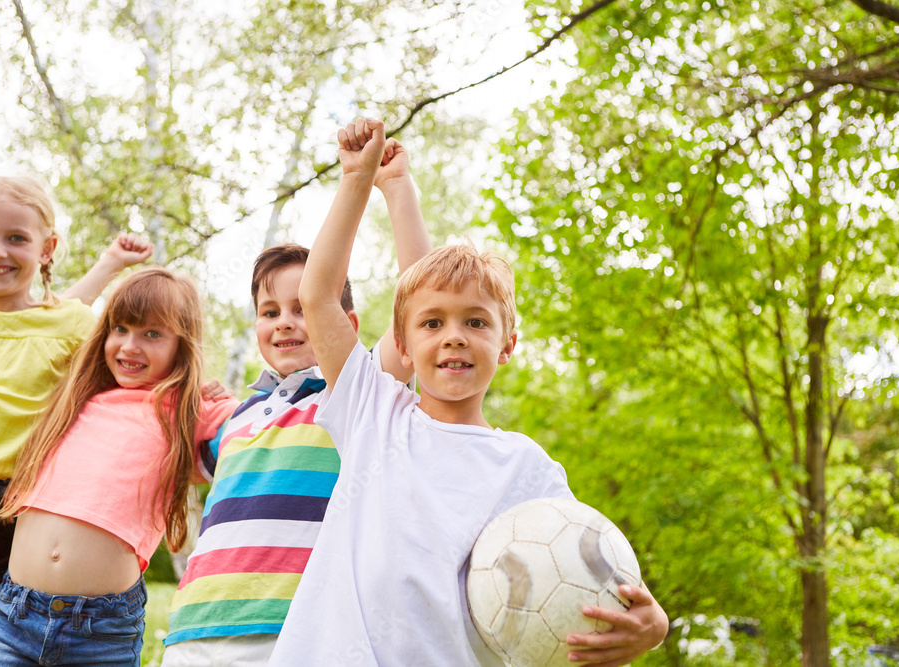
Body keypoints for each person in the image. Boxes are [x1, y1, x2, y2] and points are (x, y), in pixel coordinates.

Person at [268, 118, 668, 666]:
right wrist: (359, 180)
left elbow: (590, 574)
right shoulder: (375, 412)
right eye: (432, 325)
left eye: (476, 322)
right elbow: (318, 296)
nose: (453, 335)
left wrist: (652, 624)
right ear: (402, 346)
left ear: (507, 344)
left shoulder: (527, 467)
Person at [160, 130, 432, 666]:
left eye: (304, 307)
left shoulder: (355, 399)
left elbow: (422, 304)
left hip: (299, 632)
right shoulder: (234, 418)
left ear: (345, 324)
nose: (285, 322)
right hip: (194, 629)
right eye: (269, 311)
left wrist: (396, 188)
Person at [0, 175, 152, 667]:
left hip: (2, 505)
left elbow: (79, 329)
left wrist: (110, 266)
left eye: (16, 238)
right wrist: (109, 262)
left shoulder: (70, 324)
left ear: (47, 247)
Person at [0, 267, 239, 667]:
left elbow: (251, 437)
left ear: (182, 346)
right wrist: (109, 261)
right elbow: (45, 325)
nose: (130, 345)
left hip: (102, 633)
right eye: (120, 328)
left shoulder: (185, 410)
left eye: (152, 334)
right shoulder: (77, 398)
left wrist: (224, 403)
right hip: (14, 619)